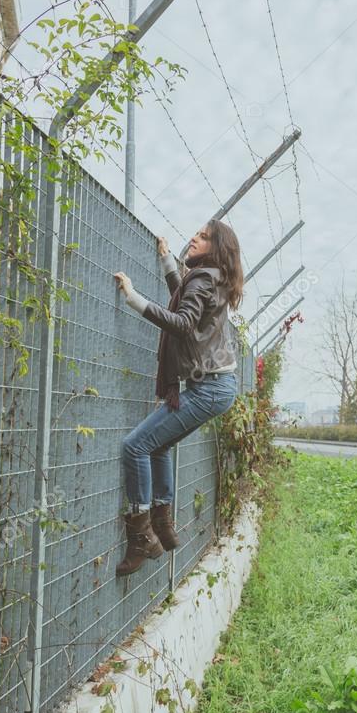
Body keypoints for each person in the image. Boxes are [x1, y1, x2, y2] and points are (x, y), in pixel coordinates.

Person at [113, 220, 243, 577]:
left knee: (135, 446)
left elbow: (182, 322)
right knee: (159, 446)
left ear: (216, 247)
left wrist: (133, 298)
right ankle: (164, 525)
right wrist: (168, 260)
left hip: (210, 388)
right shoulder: (210, 278)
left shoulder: (202, 278)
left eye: (202, 237)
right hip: (217, 387)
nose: (194, 237)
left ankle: (142, 536)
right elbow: (184, 300)